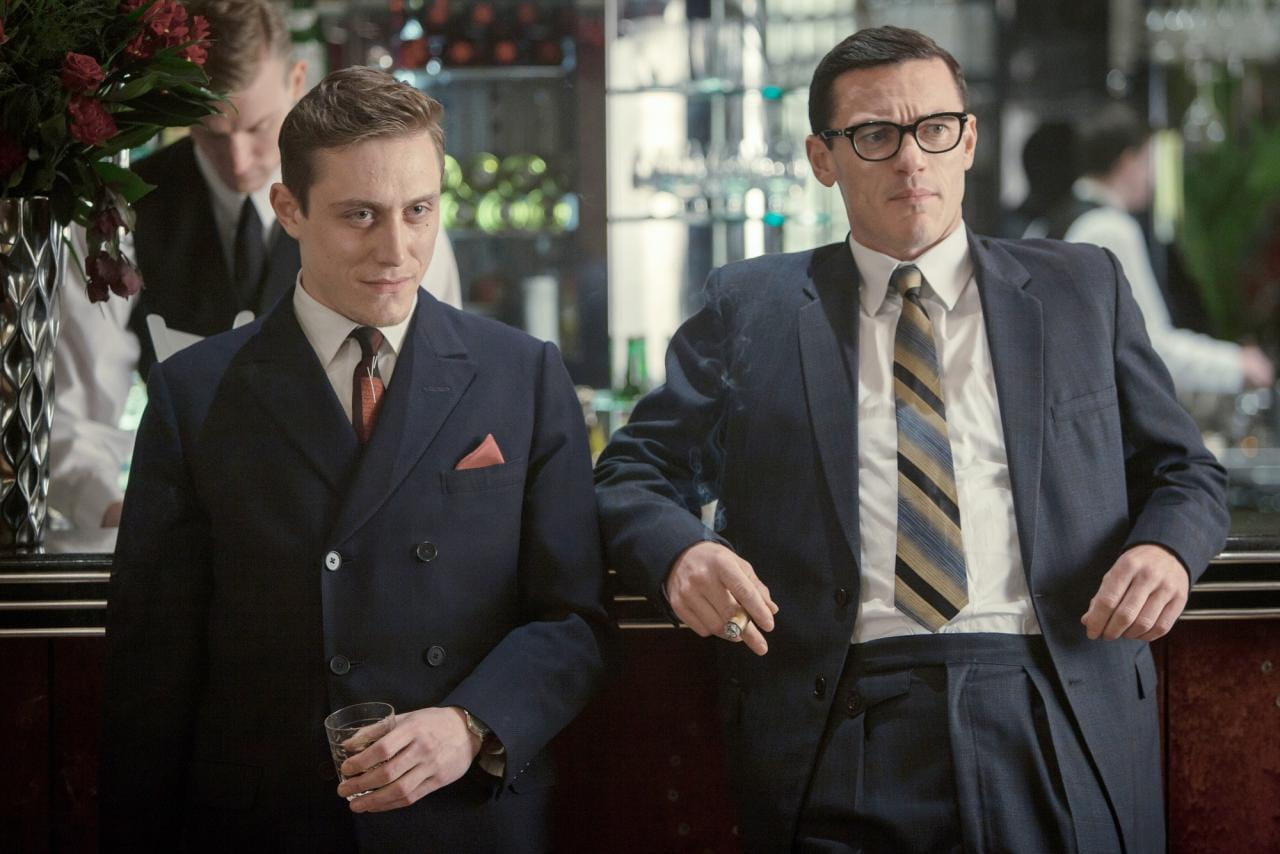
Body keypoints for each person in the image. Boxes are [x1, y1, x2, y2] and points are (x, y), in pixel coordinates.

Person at [595, 26, 1228, 854]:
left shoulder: (1081, 288)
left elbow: (1187, 472)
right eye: (874, 135)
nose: (910, 159)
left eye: (934, 129)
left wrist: (1166, 550)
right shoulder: (749, 306)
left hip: (1055, 695)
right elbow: (632, 472)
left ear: (968, 141)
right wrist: (681, 553)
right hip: (842, 713)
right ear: (823, 158)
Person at [100, 66, 609, 852]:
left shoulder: (525, 375)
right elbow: (151, 672)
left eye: (418, 211)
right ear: (289, 209)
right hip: (273, 824)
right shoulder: (192, 395)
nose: (397, 250)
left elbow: (575, 618)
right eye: (360, 215)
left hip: (466, 820)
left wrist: (473, 723)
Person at [50, 0, 462, 531]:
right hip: (189, 522)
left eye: (259, 128)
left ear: (297, 81)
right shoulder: (118, 215)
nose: (239, 160)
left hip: (358, 521)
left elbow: (434, 390)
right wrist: (115, 511)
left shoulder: (392, 217)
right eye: (211, 133)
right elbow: (76, 411)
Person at [1050, 101, 1272, 394]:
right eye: (1150, 162)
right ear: (1128, 162)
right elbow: (1150, 347)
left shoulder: (1053, 221)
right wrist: (1236, 366)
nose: (1153, 178)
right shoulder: (1110, 229)